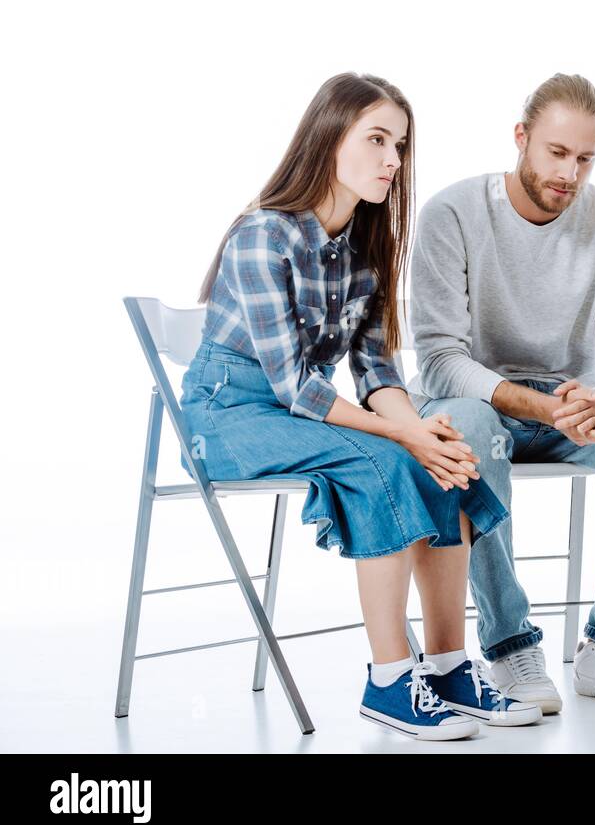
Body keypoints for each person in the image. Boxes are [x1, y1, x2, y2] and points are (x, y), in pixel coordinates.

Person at [179, 72, 541, 741]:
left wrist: (423, 434)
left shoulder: (365, 252)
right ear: (328, 137)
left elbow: (377, 373)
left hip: (299, 413)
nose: (393, 159)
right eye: (376, 139)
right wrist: (400, 437)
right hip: (228, 414)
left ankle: (448, 666)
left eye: (399, 145)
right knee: (385, 462)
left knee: (443, 462)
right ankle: (389, 680)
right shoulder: (263, 235)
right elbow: (295, 385)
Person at [407, 73, 595, 709]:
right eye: (557, 152)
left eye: (586, 158)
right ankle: (510, 647)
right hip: (475, 404)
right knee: (468, 427)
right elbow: (438, 360)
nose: (570, 173)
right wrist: (543, 406)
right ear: (521, 137)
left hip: (572, 410)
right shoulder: (452, 213)